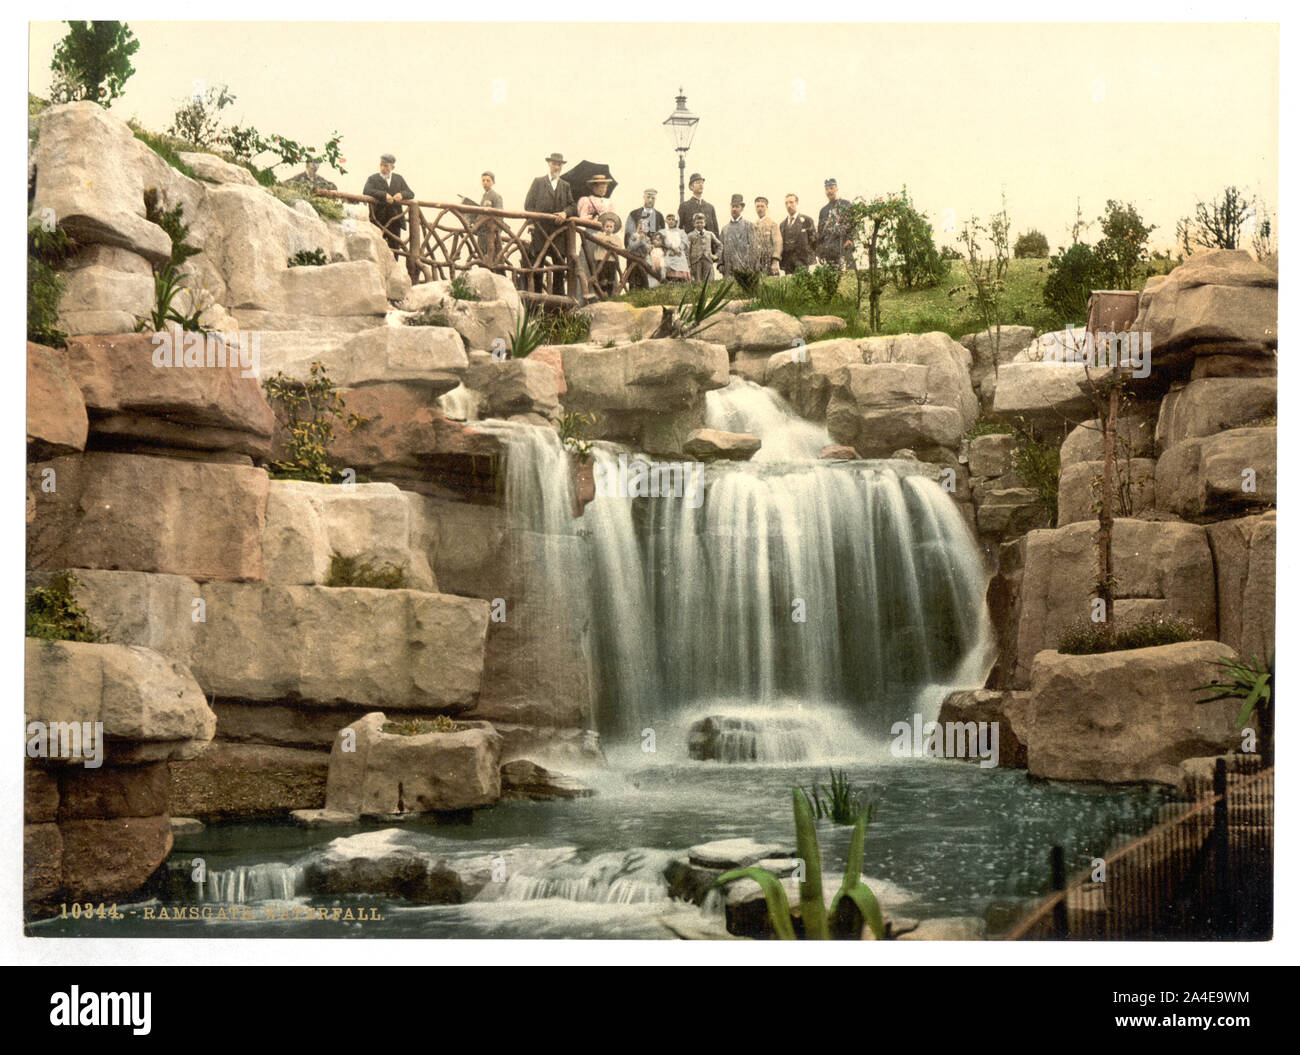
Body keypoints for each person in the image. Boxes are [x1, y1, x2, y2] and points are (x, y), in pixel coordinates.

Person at [523, 151, 576, 295]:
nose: (557, 167)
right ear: (549, 164)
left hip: (558, 233)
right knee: (537, 266)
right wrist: (532, 223)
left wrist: (565, 213)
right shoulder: (538, 182)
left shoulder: (565, 185)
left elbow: (573, 206)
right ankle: (536, 301)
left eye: (559, 165)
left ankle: (559, 304)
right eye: (554, 164)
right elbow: (528, 205)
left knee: (560, 268)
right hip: (540, 232)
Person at [363, 153, 415, 256]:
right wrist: (383, 195)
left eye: (386, 166)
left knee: (395, 249)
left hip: (395, 220)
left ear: (392, 167)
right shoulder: (373, 178)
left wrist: (401, 194)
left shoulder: (398, 179)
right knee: (377, 249)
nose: (383, 168)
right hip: (378, 219)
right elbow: (366, 191)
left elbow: (410, 193)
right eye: (381, 165)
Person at [817, 177, 854, 267]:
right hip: (830, 250)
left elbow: (852, 223)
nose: (829, 191)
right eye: (827, 189)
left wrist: (849, 239)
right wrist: (820, 251)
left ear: (836, 189)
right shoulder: (823, 210)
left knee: (850, 272)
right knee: (832, 274)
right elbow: (820, 232)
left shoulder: (845, 204)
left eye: (831, 188)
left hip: (844, 246)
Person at [720, 194, 757, 277]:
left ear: (742, 208)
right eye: (732, 206)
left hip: (744, 268)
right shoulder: (725, 229)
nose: (734, 209)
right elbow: (720, 247)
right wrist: (720, 264)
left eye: (737, 207)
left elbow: (753, 248)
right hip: (728, 269)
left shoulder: (749, 226)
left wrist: (750, 266)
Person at [780, 193, 817, 272]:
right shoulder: (782, 224)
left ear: (796, 203)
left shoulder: (807, 220)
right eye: (786, 203)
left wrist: (811, 261)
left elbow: (813, 242)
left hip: (803, 262)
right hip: (787, 264)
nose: (789, 205)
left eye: (791, 202)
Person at [476, 171, 504, 267]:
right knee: (482, 257)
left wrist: (497, 232)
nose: (485, 183)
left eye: (488, 180)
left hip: (491, 233)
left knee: (493, 259)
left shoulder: (496, 196)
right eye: (483, 180)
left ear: (493, 182)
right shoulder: (484, 196)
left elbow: (500, 215)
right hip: (482, 233)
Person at [677, 173, 719, 238]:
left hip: (708, 244)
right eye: (698, 183)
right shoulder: (684, 206)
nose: (700, 185)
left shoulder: (710, 207)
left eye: (702, 183)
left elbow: (716, 231)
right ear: (691, 187)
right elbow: (679, 229)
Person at [752, 196, 783, 276]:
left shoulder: (772, 224)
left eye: (762, 206)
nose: (760, 209)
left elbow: (778, 244)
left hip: (769, 263)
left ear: (766, 208)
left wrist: (775, 262)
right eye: (757, 206)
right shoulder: (753, 226)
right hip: (756, 265)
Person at [687, 212, 722, 282]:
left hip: (708, 261)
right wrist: (689, 265)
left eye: (701, 222)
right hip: (696, 262)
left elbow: (720, 245)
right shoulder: (690, 235)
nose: (699, 224)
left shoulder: (710, 234)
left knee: (709, 281)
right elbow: (687, 252)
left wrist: (716, 255)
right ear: (694, 224)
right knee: (697, 282)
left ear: (705, 223)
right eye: (697, 223)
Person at [660, 213, 691, 282]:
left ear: (676, 221)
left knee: (680, 268)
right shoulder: (663, 232)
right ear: (666, 221)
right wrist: (670, 248)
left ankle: (681, 280)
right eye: (669, 219)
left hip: (679, 253)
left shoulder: (681, 232)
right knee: (667, 267)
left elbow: (685, 242)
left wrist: (679, 248)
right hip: (668, 253)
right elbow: (661, 241)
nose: (671, 221)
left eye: (673, 219)